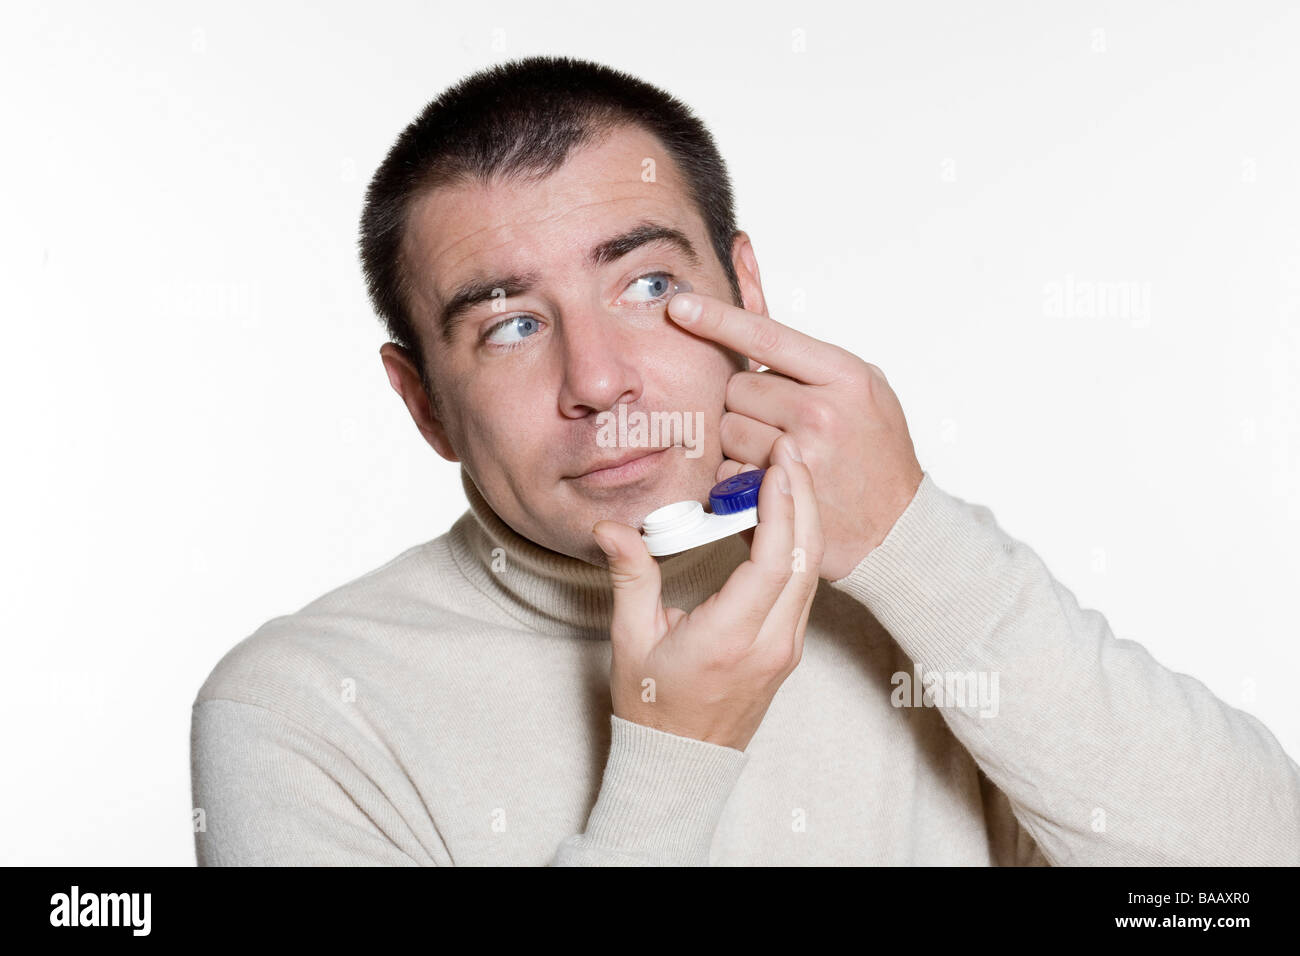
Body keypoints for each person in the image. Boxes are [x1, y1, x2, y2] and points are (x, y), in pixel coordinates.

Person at [190, 55, 1300, 866]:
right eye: (512, 325)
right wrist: (669, 762)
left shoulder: (909, 590)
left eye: (645, 287)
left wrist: (914, 540)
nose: (600, 379)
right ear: (422, 399)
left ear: (743, 292)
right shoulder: (300, 709)